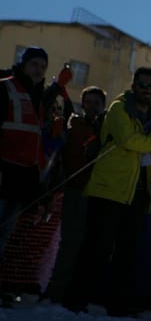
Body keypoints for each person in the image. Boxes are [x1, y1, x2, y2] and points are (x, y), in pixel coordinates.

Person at [67, 68, 151, 315]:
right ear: (134, 85)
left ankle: (117, 303)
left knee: (126, 252)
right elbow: (127, 139)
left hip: (137, 192)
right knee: (96, 248)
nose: (149, 90)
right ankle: (76, 298)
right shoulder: (120, 108)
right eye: (144, 85)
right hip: (108, 189)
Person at [0, 47, 71, 264]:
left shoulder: (36, 98)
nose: (39, 70)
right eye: (34, 65)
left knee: (5, 234)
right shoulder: (7, 87)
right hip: (4, 170)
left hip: (22, 176)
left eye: (43, 66)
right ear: (23, 65)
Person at [45, 86, 107, 302]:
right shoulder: (73, 126)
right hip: (75, 188)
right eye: (88, 102)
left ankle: (77, 292)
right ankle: (57, 290)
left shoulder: (105, 128)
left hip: (99, 193)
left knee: (89, 244)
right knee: (70, 242)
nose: (91, 107)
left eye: (96, 103)